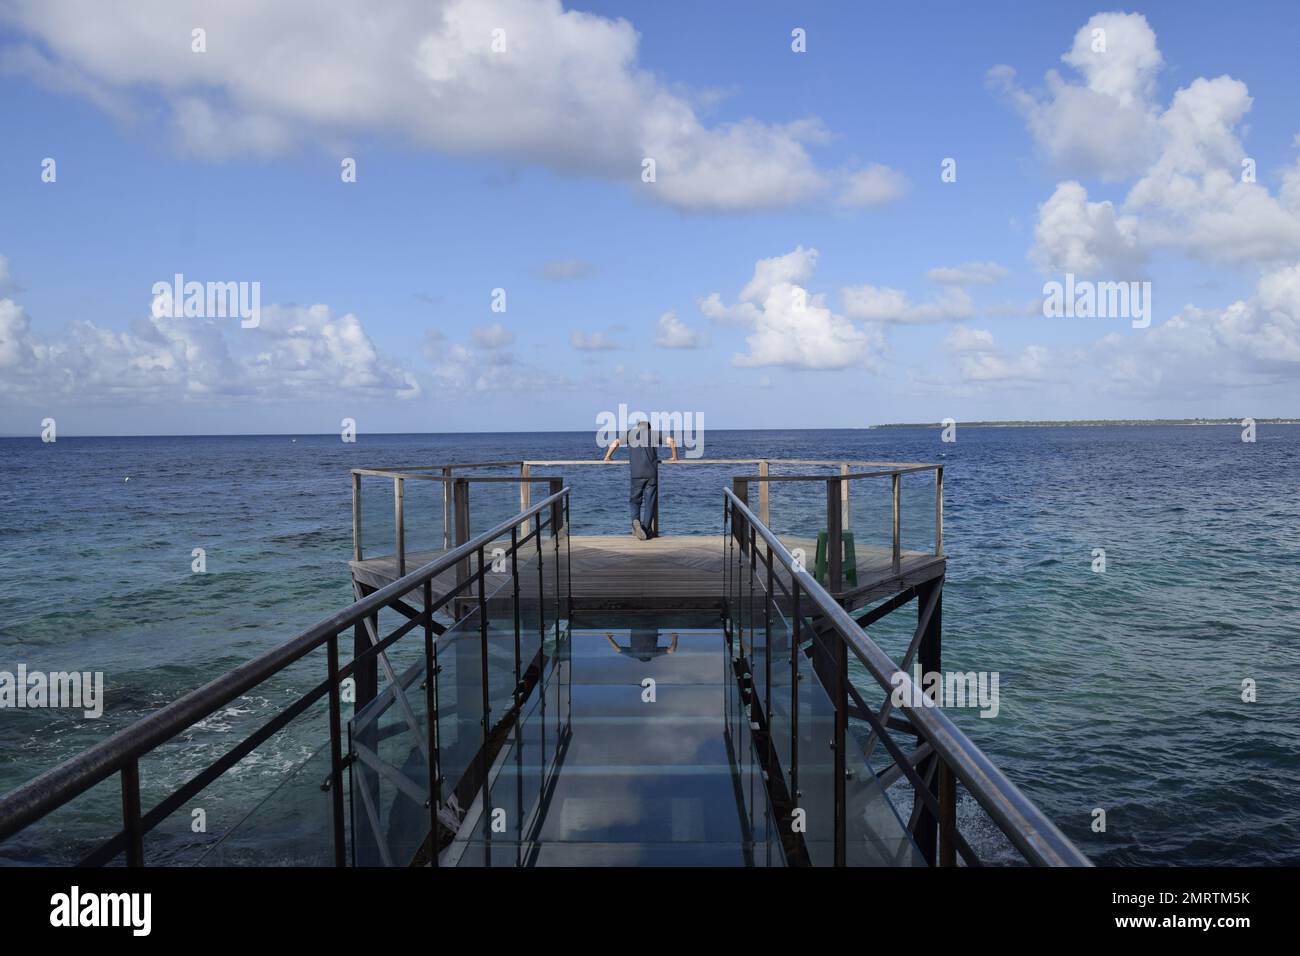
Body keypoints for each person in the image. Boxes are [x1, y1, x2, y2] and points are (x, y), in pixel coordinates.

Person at [602, 418, 678, 539]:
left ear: (637, 427)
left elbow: (615, 443)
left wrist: (607, 457)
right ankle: (646, 528)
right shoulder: (653, 434)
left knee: (635, 500)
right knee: (650, 502)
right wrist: (674, 457)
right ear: (649, 428)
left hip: (636, 474)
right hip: (651, 474)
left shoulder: (630, 433)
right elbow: (672, 441)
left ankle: (635, 523)